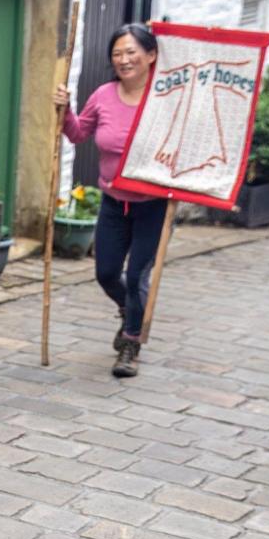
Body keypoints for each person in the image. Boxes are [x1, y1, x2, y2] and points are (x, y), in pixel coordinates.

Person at [54, 23, 165, 378]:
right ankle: (130, 311)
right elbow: (77, 133)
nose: (124, 59)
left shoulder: (164, 99)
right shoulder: (103, 95)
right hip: (114, 202)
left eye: (132, 52)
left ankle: (131, 343)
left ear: (151, 56)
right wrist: (65, 109)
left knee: (136, 278)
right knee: (106, 273)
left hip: (154, 205)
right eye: (117, 53)